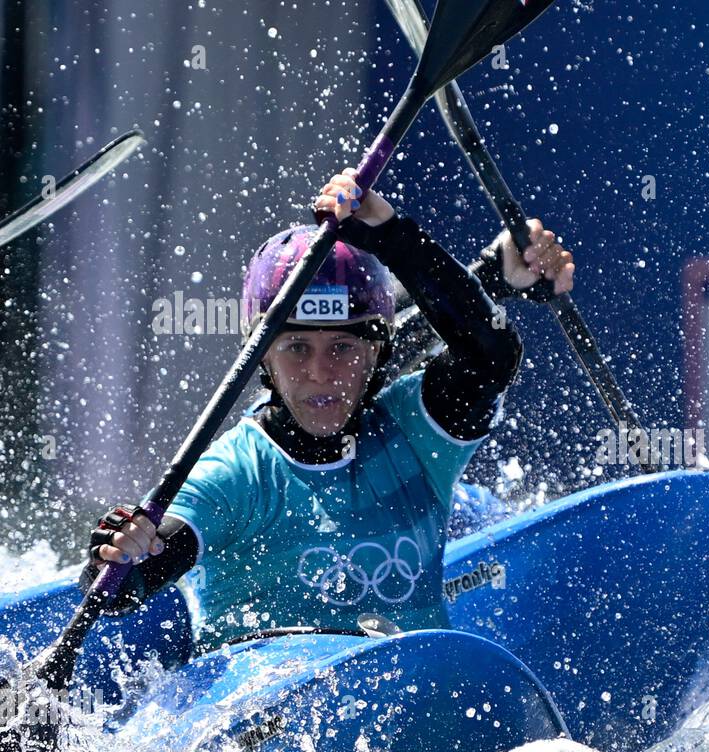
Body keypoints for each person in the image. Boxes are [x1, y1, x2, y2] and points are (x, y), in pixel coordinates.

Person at [81, 168, 574, 651]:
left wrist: (389, 233)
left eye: (341, 348)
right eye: (296, 348)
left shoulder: (412, 431)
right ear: (264, 360)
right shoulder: (232, 475)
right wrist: (117, 556)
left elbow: (488, 357)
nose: (320, 373)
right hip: (270, 724)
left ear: (376, 354)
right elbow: (124, 584)